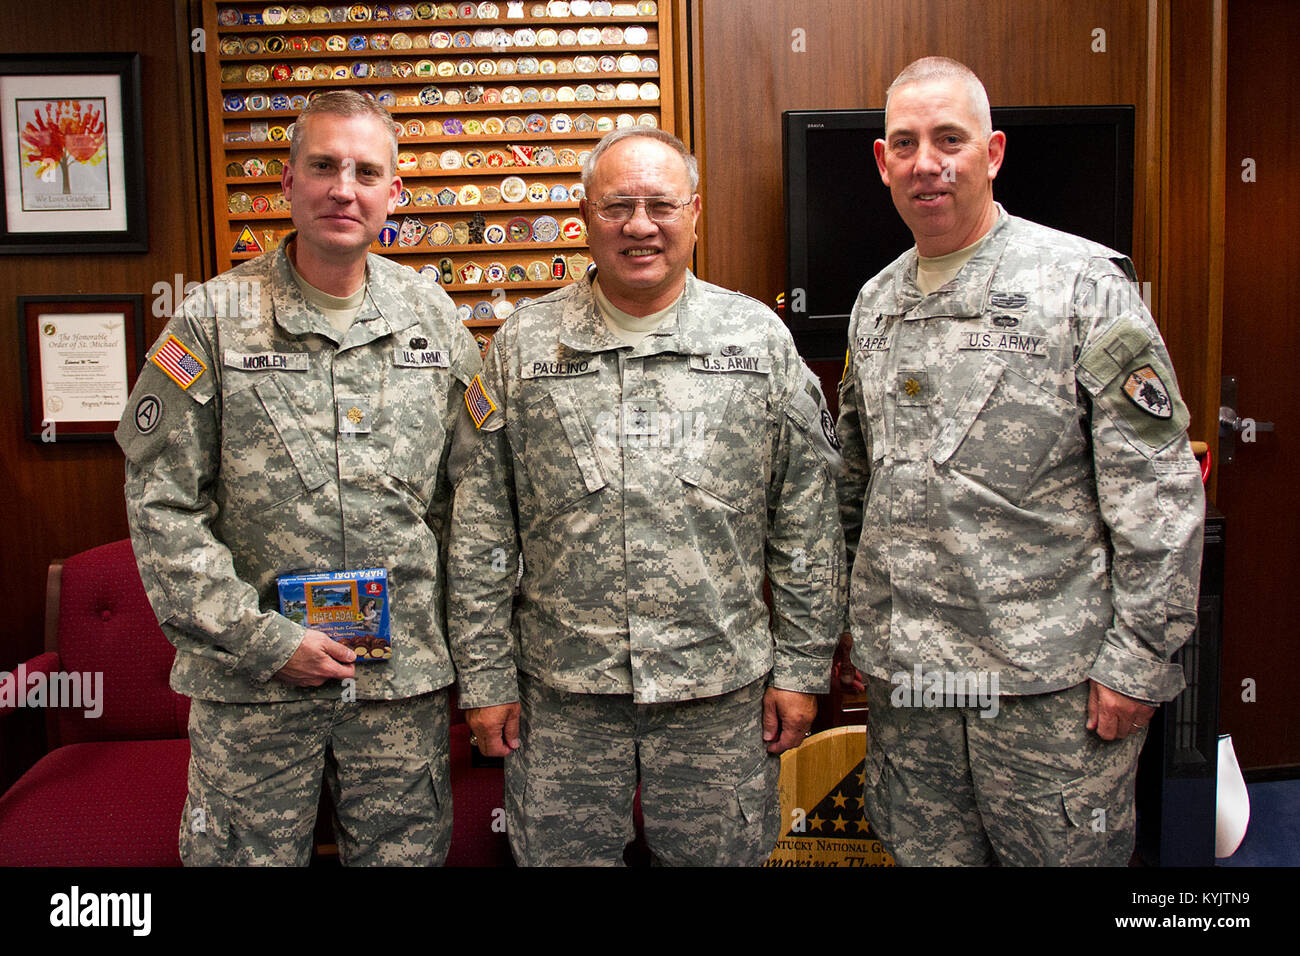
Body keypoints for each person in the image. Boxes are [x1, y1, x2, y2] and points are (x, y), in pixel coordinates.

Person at [836, 57, 1205, 865]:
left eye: (950, 139)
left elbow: (1159, 493)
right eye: (906, 143)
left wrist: (1139, 664)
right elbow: (858, 484)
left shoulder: (1083, 285)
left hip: (1050, 690)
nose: (926, 162)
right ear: (882, 161)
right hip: (915, 691)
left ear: (993, 152)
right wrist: (858, 632)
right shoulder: (875, 302)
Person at [446, 129, 845, 866]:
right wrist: (485, 677)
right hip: (563, 699)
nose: (639, 225)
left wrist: (801, 668)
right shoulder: (524, 347)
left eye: (659, 204)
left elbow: (807, 522)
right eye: (617, 206)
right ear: (585, 218)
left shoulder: (757, 339)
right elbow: (479, 528)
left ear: (695, 213)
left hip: (718, 696)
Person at [115, 91, 479, 865]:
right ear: (287, 182)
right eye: (323, 166)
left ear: (394, 194)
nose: (342, 187)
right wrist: (265, 640)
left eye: (364, 171)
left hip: (398, 683)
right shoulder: (211, 319)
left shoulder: (434, 319)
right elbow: (162, 506)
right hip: (253, 685)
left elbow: (473, 500)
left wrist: (472, 658)